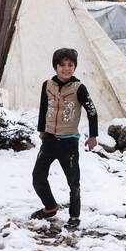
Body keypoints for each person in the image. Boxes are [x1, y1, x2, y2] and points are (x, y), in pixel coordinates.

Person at [31, 47, 98, 230]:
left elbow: (92, 112)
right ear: (55, 67)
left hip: (68, 142)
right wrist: (42, 130)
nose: (66, 68)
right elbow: (44, 108)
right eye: (62, 65)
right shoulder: (47, 85)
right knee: (37, 176)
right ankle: (50, 207)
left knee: (73, 181)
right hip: (50, 140)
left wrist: (93, 136)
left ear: (74, 67)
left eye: (70, 65)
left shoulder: (79, 88)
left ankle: (74, 217)